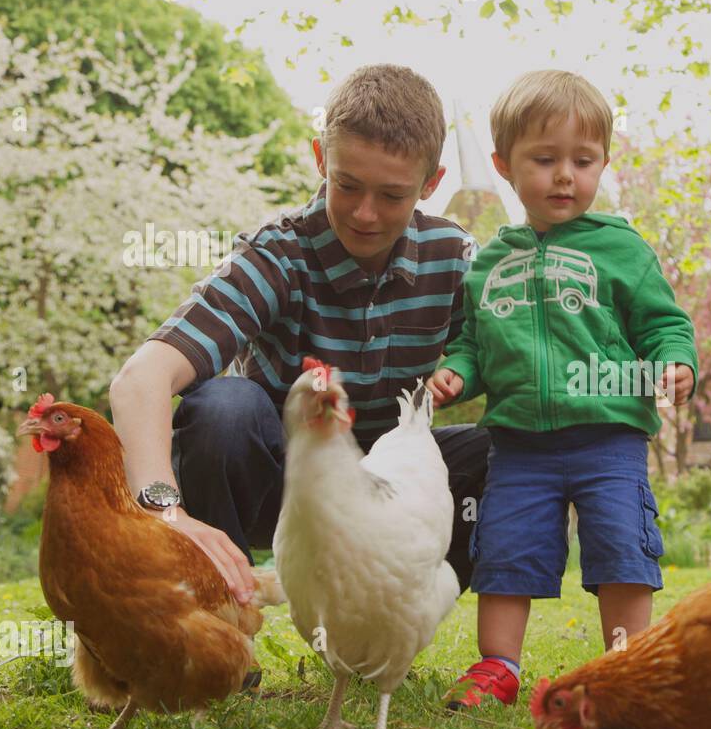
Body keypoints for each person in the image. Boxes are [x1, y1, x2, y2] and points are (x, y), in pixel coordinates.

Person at [111, 64, 489, 604]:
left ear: (431, 184)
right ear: (320, 159)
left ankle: (400, 619)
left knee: (503, 447)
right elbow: (139, 379)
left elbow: (512, 362)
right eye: (348, 185)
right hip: (286, 488)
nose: (365, 213)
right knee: (223, 406)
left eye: (392, 195)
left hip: (391, 496)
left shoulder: (454, 258)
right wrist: (163, 510)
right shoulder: (277, 255)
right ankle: (219, 611)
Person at [427, 70, 698, 709]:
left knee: (621, 545)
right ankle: (497, 667)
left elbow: (663, 322)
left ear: (604, 161)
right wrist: (456, 372)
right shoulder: (490, 261)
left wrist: (675, 361)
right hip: (520, 444)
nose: (565, 177)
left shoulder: (621, 249)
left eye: (583, 160)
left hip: (610, 437)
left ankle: (627, 667)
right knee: (506, 547)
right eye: (544, 160)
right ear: (503, 165)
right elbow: (474, 343)